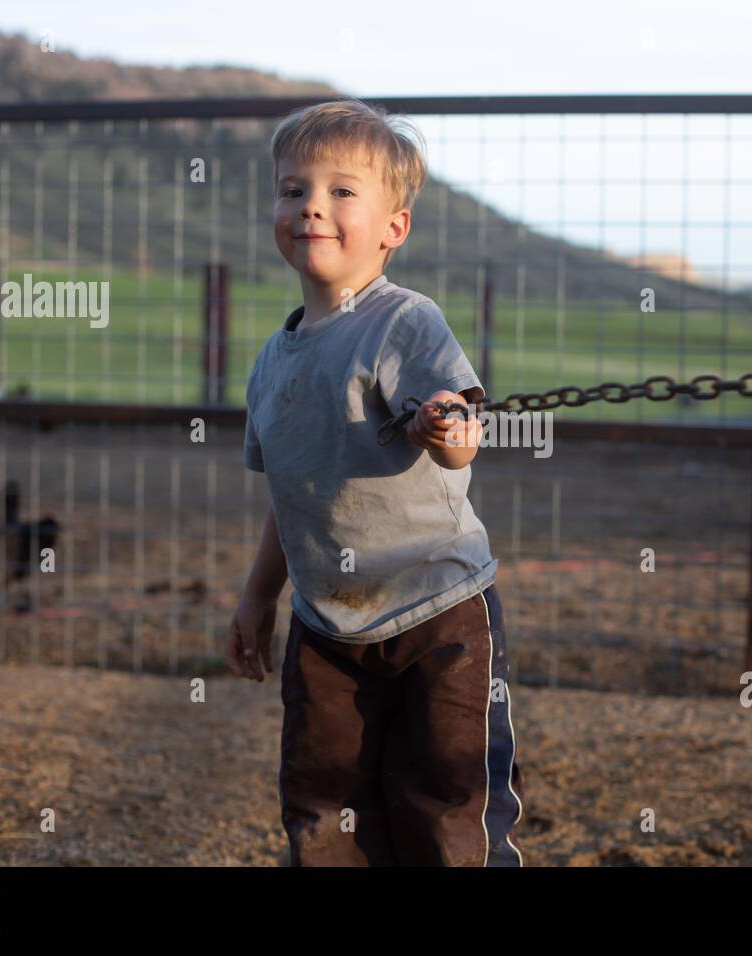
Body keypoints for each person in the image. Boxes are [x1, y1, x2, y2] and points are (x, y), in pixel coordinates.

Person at [226, 98, 524, 866]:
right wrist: (260, 596)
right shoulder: (271, 363)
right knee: (327, 812)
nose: (311, 207)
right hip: (326, 630)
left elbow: (461, 442)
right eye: (294, 190)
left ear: (395, 227)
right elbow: (293, 495)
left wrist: (448, 429)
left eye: (341, 191)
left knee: (445, 804)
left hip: (439, 618)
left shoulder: (405, 323)